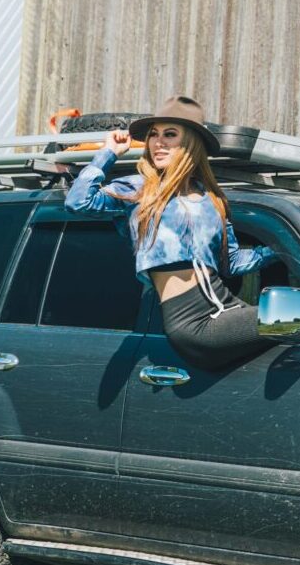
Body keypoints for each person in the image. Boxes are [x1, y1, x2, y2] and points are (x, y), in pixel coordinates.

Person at [64, 95, 280, 369]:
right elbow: (78, 202)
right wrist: (108, 154)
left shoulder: (213, 199)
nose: (158, 142)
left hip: (227, 308)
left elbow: (232, 263)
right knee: (299, 319)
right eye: (154, 135)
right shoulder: (138, 189)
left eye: (170, 134)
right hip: (192, 322)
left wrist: (281, 251)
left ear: (191, 142)